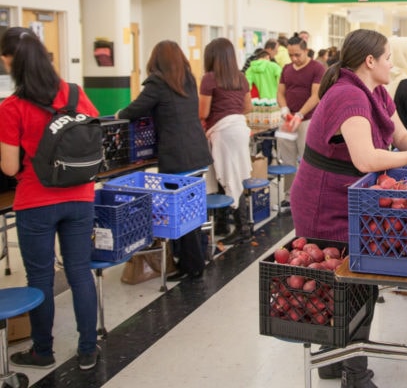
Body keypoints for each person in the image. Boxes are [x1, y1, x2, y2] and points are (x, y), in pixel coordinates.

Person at [291, 29, 407, 387]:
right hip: (324, 200)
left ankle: (334, 360)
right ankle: (353, 373)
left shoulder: (375, 92)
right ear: (370, 61)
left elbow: (401, 137)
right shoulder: (349, 96)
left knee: (352, 282)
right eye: (389, 58)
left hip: (351, 196)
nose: (393, 65)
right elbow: (365, 159)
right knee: (350, 284)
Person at [0, 28, 100, 371]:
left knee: (40, 277)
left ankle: (43, 351)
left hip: (35, 201)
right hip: (81, 195)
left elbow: (10, 166)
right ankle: (88, 349)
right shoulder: (75, 93)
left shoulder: (12, 107)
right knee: (80, 272)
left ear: (12, 64)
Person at [117, 40, 213, 281]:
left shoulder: (157, 83)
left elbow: (134, 110)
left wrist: (118, 115)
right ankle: (195, 258)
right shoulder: (189, 80)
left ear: (156, 61)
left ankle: (192, 266)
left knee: (182, 215)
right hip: (197, 153)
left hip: (178, 158)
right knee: (192, 210)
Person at [199, 38, 253, 245]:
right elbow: (247, 107)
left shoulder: (209, 78)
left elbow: (203, 112)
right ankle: (226, 224)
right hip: (239, 129)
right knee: (235, 177)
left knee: (228, 178)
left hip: (222, 131)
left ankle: (242, 230)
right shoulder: (240, 77)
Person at [276, 33, 326, 210]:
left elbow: (316, 95)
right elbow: (281, 92)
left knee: (307, 159)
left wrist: (300, 114)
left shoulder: (317, 68)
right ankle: (290, 197)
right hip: (288, 120)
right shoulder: (287, 69)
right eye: (290, 55)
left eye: (297, 54)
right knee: (287, 159)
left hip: (307, 121)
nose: (293, 58)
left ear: (306, 51)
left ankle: (309, 196)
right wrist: (285, 110)